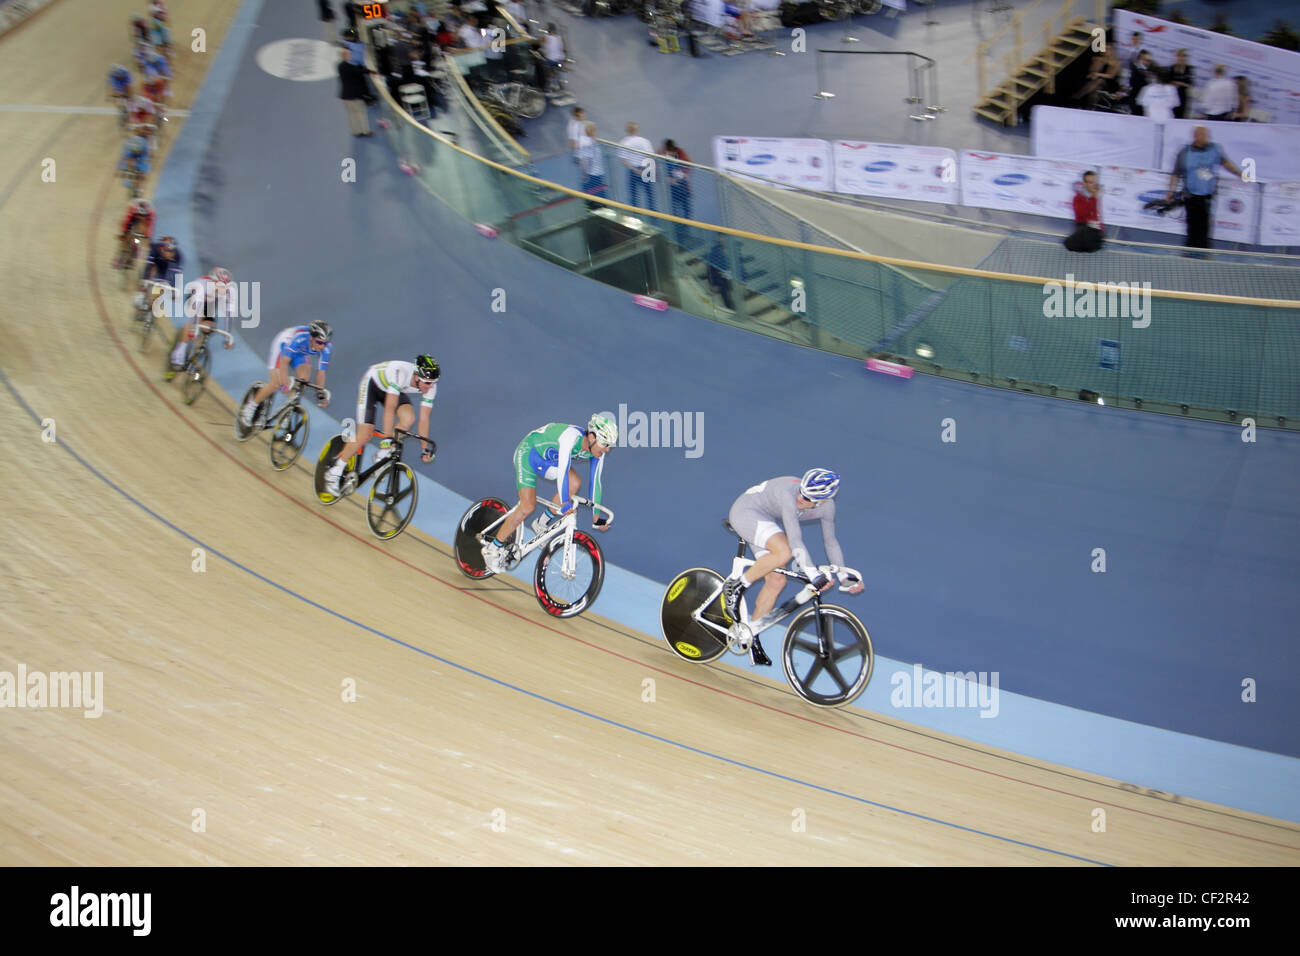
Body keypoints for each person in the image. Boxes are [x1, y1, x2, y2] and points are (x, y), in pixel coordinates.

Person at [721, 469, 863, 667]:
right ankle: (735, 586)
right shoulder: (789, 495)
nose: (800, 498)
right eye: (801, 492)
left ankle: (750, 634)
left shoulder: (827, 508)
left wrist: (844, 576)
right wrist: (813, 574)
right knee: (785, 551)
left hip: (765, 520)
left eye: (807, 498)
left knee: (777, 581)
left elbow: (830, 542)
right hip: (747, 511)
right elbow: (795, 541)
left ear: (821, 501)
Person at [480, 417, 617, 574]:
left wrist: (596, 518)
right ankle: (492, 548)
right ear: (592, 437)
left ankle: (541, 523)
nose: (607, 450)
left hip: (551, 461)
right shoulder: (570, 437)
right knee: (528, 505)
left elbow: (596, 482)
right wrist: (565, 503)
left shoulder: (597, 452)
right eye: (605, 444)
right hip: (529, 453)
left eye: (609, 446)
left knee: (575, 483)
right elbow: (563, 472)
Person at [322, 356, 439, 495]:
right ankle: (334, 471)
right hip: (372, 383)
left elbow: (424, 418)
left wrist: (424, 448)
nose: (430, 386)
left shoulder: (430, 386)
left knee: (408, 418)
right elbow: (390, 408)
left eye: (433, 382)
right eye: (427, 382)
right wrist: (387, 438)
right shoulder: (400, 373)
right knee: (365, 434)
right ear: (416, 376)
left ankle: (381, 456)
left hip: (391, 389)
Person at [240, 322, 333, 427]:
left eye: (325, 343)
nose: (322, 346)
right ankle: (250, 407)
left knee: (303, 379)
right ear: (311, 338)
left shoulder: (327, 348)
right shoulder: (300, 338)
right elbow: (284, 362)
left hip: (299, 353)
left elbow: (321, 373)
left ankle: (287, 413)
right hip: (283, 347)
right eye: (319, 342)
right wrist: (284, 382)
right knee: (276, 383)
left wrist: (320, 394)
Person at [1167, 126, 1242, 250]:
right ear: (1196, 136)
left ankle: (1204, 253)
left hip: (1207, 196)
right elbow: (1176, 173)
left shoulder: (1215, 150)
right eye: (1203, 135)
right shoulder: (1184, 152)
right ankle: (1190, 253)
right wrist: (1171, 191)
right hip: (1190, 196)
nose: (1206, 137)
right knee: (1192, 227)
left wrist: (1240, 174)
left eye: (1207, 135)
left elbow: (1227, 164)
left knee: (1205, 227)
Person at [165, 268, 237, 379]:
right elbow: (196, 310)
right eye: (220, 286)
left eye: (225, 287)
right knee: (195, 323)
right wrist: (193, 330)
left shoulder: (229, 292)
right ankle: (180, 351)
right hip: (195, 297)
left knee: (208, 328)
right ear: (213, 282)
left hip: (210, 303)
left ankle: (193, 356)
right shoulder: (202, 284)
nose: (223, 289)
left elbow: (229, 314)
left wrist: (228, 338)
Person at [660, 138, 693, 248]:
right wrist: (667, 178)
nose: (671, 153)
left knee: (686, 211)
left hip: (683, 188)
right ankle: (677, 235)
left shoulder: (680, 153)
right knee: (675, 212)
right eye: (669, 151)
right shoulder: (662, 155)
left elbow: (688, 165)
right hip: (673, 190)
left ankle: (685, 232)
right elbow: (657, 168)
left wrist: (683, 176)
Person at [618, 121, 655, 210]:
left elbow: (623, 160)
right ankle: (653, 214)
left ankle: (635, 214)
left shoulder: (623, 142)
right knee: (649, 194)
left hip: (632, 171)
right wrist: (644, 168)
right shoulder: (644, 141)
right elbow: (649, 155)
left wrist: (634, 169)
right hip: (646, 169)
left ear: (627, 130)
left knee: (633, 195)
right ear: (636, 130)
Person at [1065, 171, 1104, 253]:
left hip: (1094, 228)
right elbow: (1081, 215)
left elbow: (1097, 217)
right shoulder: (1078, 197)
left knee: (1093, 244)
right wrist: (1093, 198)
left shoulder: (1097, 196)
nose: (1094, 185)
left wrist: (1100, 228)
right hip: (1082, 226)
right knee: (1071, 244)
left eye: (1094, 182)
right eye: (1090, 183)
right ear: (1084, 184)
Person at [338, 47, 374, 137]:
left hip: (345, 95)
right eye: (349, 54)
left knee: (351, 114)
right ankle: (365, 131)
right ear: (344, 56)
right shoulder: (347, 67)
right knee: (361, 113)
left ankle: (356, 131)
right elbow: (358, 71)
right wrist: (371, 71)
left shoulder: (340, 66)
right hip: (354, 95)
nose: (351, 56)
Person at [115, 198, 156, 268]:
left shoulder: (151, 214)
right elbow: (126, 221)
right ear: (137, 212)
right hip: (132, 222)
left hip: (142, 227)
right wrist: (123, 232)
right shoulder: (132, 209)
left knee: (137, 241)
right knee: (125, 239)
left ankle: (132, 258)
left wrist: (148, 237)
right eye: (139, 215)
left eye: (142, 216)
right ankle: (120, 256)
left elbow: (150, 227)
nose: (140, 217)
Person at [577, 121, 607, 206]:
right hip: (592, 174)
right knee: (595, 198)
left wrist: (584, 174)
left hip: (595, 174)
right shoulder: (588, 143)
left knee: (595, 197)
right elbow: (586, 160)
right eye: (594, 130)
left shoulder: (591, 141)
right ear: (589, 131)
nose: (596, 131)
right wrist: (585, 174)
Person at [1169, 49, 1193, 119]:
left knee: (1182, 116)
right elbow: (1168, 81)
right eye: (1179, 56)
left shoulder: (1188, 69)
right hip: (1173, 95)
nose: (1181, 58)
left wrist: (1179, 83)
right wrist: (1175, 83)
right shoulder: (1172, 68)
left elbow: (1190, 84)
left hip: (1183, 96)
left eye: (1183, 56)